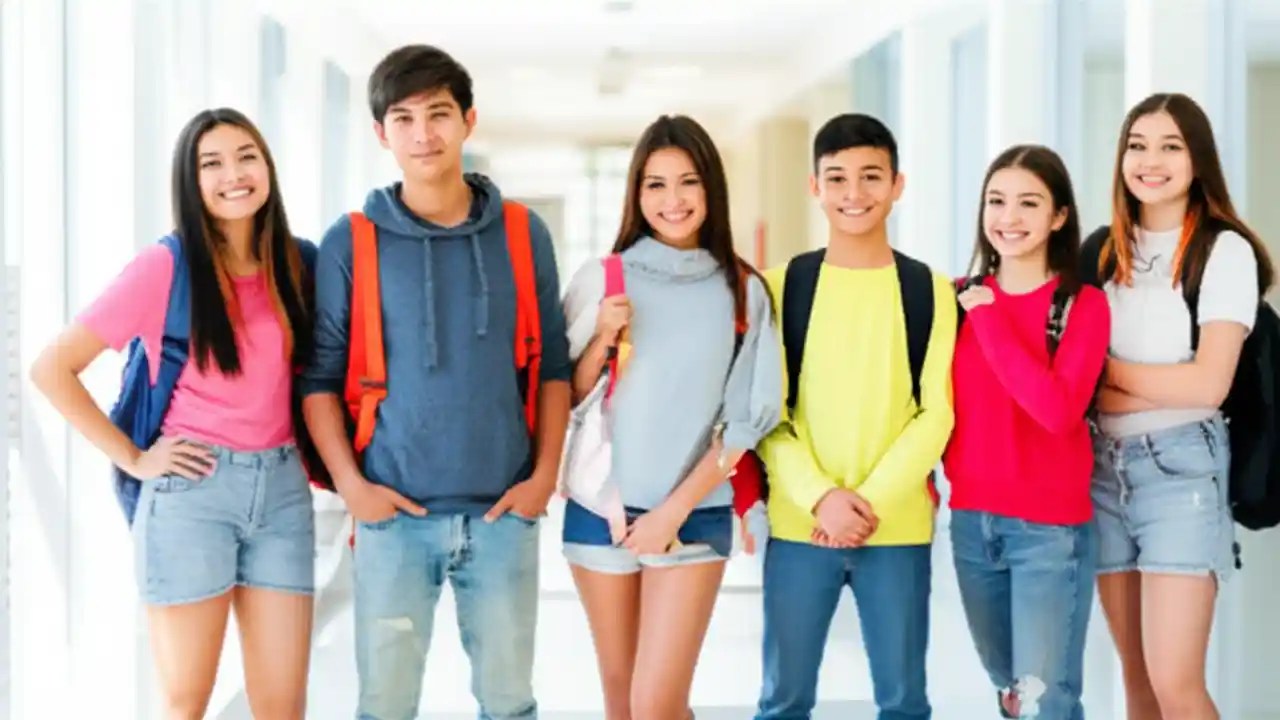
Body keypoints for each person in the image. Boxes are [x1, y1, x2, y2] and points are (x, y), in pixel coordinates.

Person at [299, 44, 571, 720]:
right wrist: (353, 489)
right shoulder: (351, 240)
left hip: (504, 514)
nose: (424, 134)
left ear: (468, 120)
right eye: (405, 118)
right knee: (385, 706)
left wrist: (543, 479)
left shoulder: (520, 232)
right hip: (394, 519)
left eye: (439, 114)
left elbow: (553, 366)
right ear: (381, 133)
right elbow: (320, 378)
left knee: (510, 704)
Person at [29, 108, 316, 720]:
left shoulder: (298, 263)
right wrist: (133, 456)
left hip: (284, 493)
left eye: (246, 156)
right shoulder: (166, 266)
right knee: (187, 702)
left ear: (267, 167)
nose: (233, 174)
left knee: (282, 706)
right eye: (211, 164)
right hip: (193, 494)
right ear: (190, 182)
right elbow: (52, 368)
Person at [559, 114, 782, 720]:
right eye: (655, 184)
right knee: (621, 702)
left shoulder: (742, 290)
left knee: (657, 704)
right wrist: (603, 336)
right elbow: (569, 398)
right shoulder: (600, 279)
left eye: (687, 182)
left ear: (711, 189)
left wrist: (670, 512)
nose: (673, 200)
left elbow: (745, 422)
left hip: (691, 515)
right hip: (598, 512)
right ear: (636, 194)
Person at [754, 113, 957, 720]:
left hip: (894, 530)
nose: (854, 193)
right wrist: (821, 499)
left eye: (872, 177)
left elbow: (936, 414)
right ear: (814, 187)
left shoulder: (931, 290)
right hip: (798, 527)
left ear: (898, 185)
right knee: (782, 701)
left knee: (903, 703)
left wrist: (865, 502)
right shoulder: (780, 286)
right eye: (837, 178)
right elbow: (769, 414)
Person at [1086, 92, 1273, 720]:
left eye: (1171, 145)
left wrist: (1109, 373)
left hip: (1183, 470)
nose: (1150, 160)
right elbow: (1077, 387)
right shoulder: (1101, 251)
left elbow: (1207, 386)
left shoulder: (1225, 251)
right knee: (1137, 687)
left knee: (1176, 684)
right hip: (1103, 472)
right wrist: (1141, 381)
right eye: (1137, 145)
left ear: (1199, 160)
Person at [944, 145, 1109, 719]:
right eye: (997, 201)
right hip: (969, 524)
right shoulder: (953, 298)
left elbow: (1057, 409)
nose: (1008, 218)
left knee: (1045, 699)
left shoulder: (1082, 306)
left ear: (1059, 216)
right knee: (1011, 691)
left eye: (1028, 203)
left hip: (1048, 532)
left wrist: (988, 316)